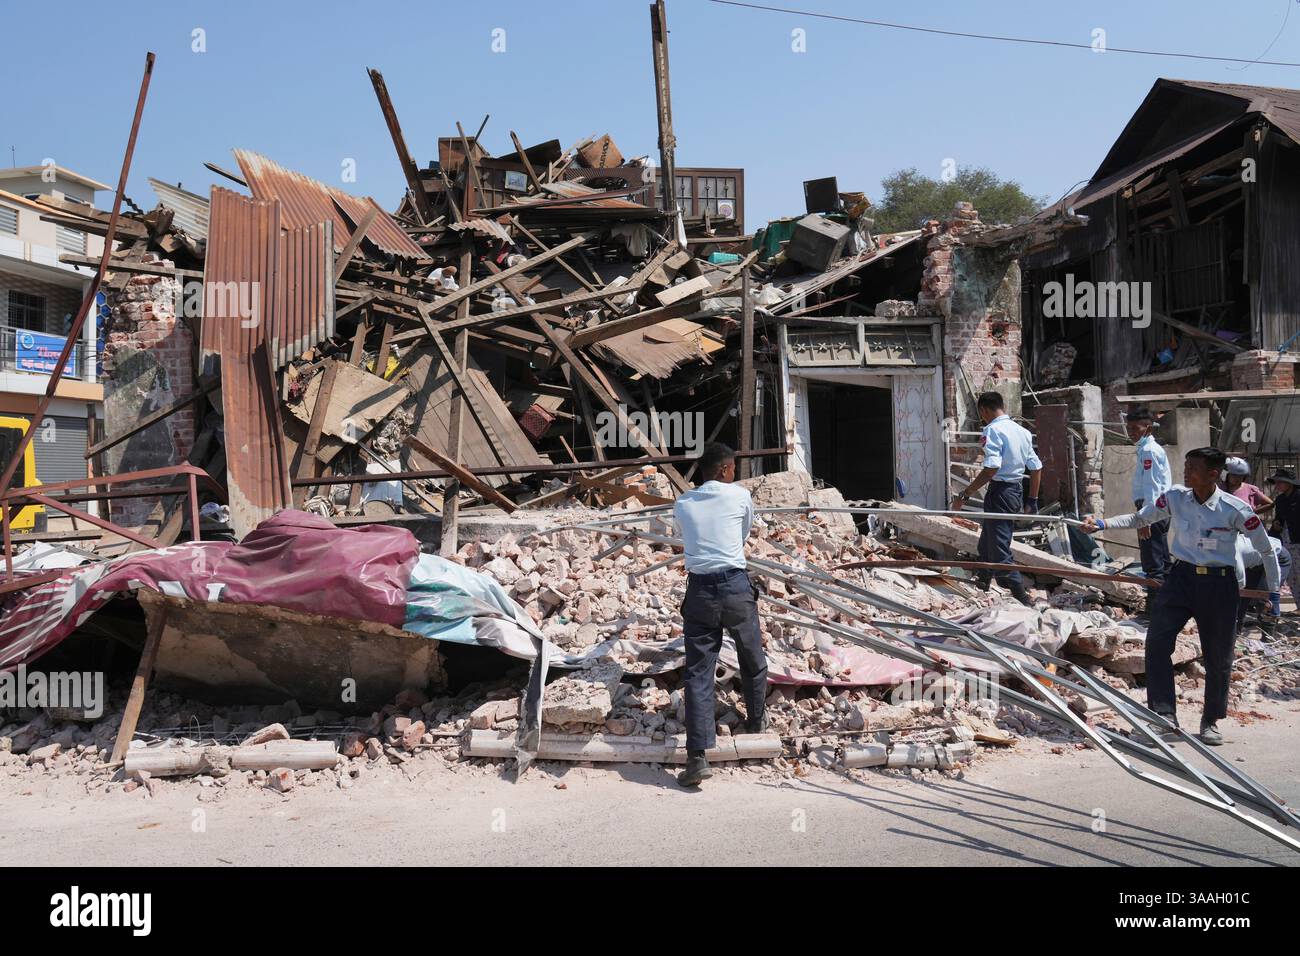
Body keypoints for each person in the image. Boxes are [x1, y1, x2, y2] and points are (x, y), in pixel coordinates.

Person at [1082, 447, 1281, 745]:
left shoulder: (1235, 509)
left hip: (1219, 585)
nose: (1186, 472)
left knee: (1218, 657)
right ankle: (1162, 716)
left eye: (1193, 468)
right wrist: (1102, 523)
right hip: (1181, 579)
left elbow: (1266, 549)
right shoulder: (1175, 497)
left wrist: (1274, 592)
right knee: (1157, 643)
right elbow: (1141, 518)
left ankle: (1211, 720)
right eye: (1186, 467)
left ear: (1213, 474)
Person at [672, 442, 767, 788]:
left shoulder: (683, 502)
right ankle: (756, 721)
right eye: (733, 469)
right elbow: (742, 535)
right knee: (751, 655)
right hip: (735, 587)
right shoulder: (739, 496)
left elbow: (688, 537)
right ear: (725, 470)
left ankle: (697, 757)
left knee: (699, 670)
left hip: (699, 590)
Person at [951, 391, 1042, 606]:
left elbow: (992, 468)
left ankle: (1021, 595)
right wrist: (1032, 500)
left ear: (984, 410)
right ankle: (982, 581)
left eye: (981, 414)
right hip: (1016, 491)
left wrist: (965, 494)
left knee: (1000, 545)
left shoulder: (992, 430)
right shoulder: (1023, 432)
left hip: (1001, 491)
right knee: (988, 538)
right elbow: (1037, 468)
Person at [1126, 407, 1171, 582]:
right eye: (1129, 429)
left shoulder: (1149, 451)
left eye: (1135, 429)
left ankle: (1155, 608)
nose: (1131, 433)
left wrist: (1146, 518)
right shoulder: (1146, 449)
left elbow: (1152, 486)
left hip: (1152, 509)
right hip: (1157, 509)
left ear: (1148, 429)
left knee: (1153, 565)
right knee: (1163, 560)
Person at [1234, 534, 1291, 633]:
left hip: (1277, 556)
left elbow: (1238, 584)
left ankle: (1268, 634)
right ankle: (1235, 630)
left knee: (1266, 595)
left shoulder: (1233, 554)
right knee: (1242, 599)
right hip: (1255, 562)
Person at [1267, 467, 1300, 601]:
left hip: (1298, 539)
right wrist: (1276, 523)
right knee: (1292, 575)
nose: (1278, 485)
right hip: (1287, 539)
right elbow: (1279, 517)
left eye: (1281, 482)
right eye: (1277, 482)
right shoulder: (1280, 500)